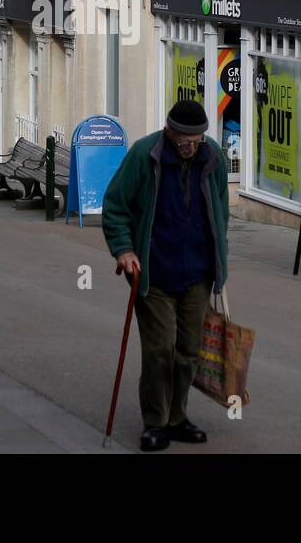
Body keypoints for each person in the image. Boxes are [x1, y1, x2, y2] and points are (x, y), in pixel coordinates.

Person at [101, 100, 230, 453]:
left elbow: (220, 208)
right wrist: (124, 250)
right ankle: (155, 423)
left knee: (188, 351)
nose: (191, 146)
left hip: (198, 271)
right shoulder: (146, 154)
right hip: (153, 271)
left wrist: (220, 256)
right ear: (169, 131)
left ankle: (178, 418)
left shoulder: (212, 156)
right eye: (185, 140)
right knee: (160, 349)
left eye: (197, 139)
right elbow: (115, 205)